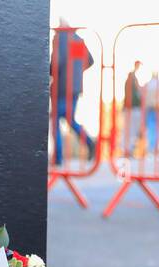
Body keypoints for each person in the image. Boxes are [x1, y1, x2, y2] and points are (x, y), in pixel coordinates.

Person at [52, 22, 96, 164]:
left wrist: (48, 71)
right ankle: (89, 142)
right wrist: (77, 72)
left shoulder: (61, 38)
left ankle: (58, 157)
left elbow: (57, 62)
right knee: (69, 119)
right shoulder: (77, 39)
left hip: (62, 86)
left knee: (56, 121)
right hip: (75, 87)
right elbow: (90, 60)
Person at [122, 61, 144, 158]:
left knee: (132, 130)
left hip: (133, 108)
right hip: (131, 108)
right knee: (130, 129)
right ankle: (127, 150)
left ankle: (129, 149)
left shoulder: (134, 78)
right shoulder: (132, 77)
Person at [145, 71, 159, 154]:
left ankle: (151, 148)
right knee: (157, 129)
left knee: (151, 129)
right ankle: (155, 148)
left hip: (150, 108)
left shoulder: (149, 84)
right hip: (157, 109)